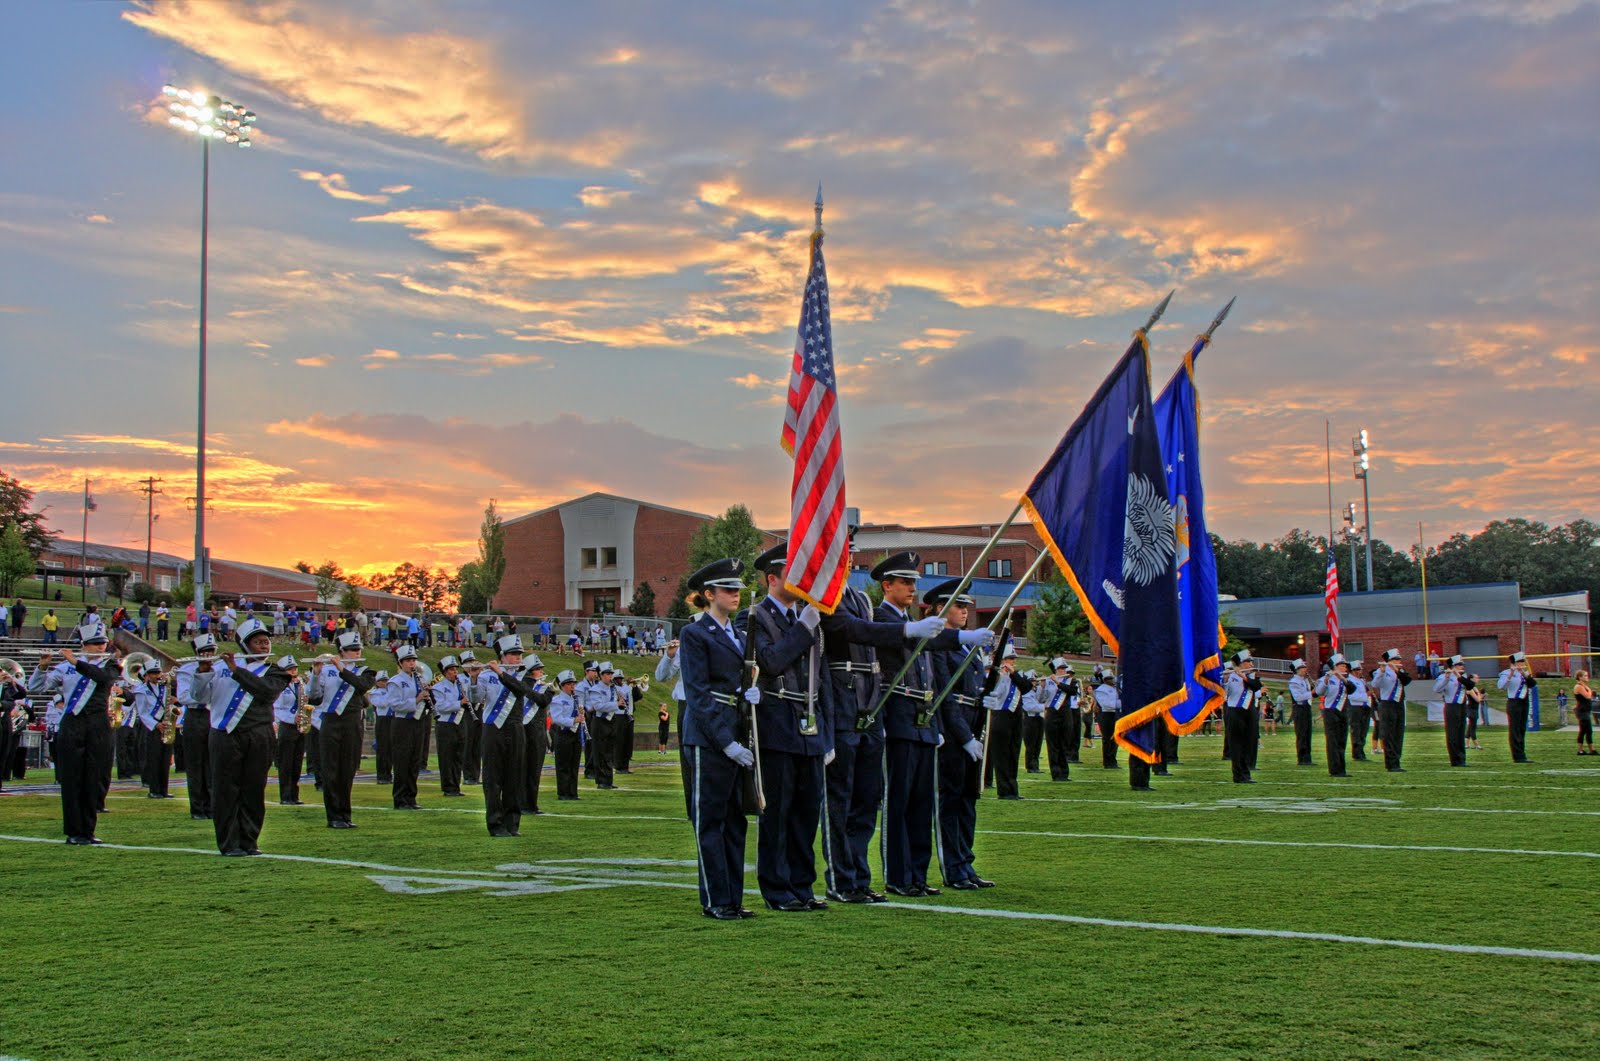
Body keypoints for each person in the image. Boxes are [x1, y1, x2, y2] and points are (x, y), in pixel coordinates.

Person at [743, 543, 830, 912]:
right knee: (778, 813)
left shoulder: (802, 619)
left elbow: (820, 677)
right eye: (789, 573)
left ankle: (802, 885)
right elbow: (771, 661)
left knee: (807, 812)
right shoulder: (756, 618)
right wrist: (805, 629)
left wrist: (828, 734)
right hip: (777, 724)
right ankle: (777, 888)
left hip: (809, 727)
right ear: (772, 578)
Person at [678, 557, 762, 920]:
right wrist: (725, 741)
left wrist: (750, 692)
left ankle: (734, 898)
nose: (735, 595)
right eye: (728, 590)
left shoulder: (741, 635)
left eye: (738, 590)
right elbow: (698, 694)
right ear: (708, 594)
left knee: (734, 820)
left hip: (736, 730)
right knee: (710, 819)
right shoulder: (695, 634)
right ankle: (715, 899)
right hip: (709, 735)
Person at [929, 579, 995, 890]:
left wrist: (987, 700)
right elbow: (944, 693)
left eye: (967, 606)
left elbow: (973, 688)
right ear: (941, 608)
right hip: (952, 727)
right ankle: (952, 867)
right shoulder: (940, 642)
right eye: (959, 605)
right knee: (951, 799)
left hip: (972, 720)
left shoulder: (968, 645)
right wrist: (963, 735)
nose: (965, 611)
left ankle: (966, 862)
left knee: (969, 799)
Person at [206, 618, 292, 856]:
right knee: (225, 790)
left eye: (266, 642)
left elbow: (266, 692)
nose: (264, 646)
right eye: (258, 642)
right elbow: (198, 697)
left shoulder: (276, 671)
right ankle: (229, 843)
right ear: (244, 645)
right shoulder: (218, 667)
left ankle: (249, 841)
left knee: (254, 789)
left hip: (259, 734)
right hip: (225, 734)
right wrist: (202, 674)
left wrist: (236, 670)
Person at [30, 622, 122, 843]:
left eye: (102, 643)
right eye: (94, 644)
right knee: (72, 780)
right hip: (72, 725)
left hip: (98, 726)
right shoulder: (64, 668)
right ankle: (73, 832)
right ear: (84, 645)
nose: (100, 647)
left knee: (94, 779)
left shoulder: (110, 665)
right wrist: (42, 667)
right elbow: (35, 688)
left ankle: (88, 831)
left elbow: (102, 679)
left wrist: (76, 661)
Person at [478, 633, 535, 837]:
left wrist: (501, 674)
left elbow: (521, 690)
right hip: (493, 729)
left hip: (516, 728)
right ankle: (496, 824)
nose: (518, 658)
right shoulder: (486, 675)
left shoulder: (525, 675)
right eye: (513, 654)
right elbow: (476, 698)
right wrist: (474, 678)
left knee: (514, 777)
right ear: (502, 657)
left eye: (519, 654)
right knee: (493, 778)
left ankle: (512, 824)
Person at [321, 631, 376, 829]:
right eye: (352, 650)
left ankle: (345, 815)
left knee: (347, 770)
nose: (356, 652)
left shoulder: (366, 671)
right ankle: (333, 816)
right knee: (331, 770)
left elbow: (362, 686)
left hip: (352, 722)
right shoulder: (326, 670)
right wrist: (315, 674)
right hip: (330, 721)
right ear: (341, 651)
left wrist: (341, 668)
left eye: (358, 649)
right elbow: (315, 697)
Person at [378, 645, 430, 809]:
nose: (412, 664)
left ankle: (411, 797)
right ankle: (400, 799)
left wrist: (427, 695)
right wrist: (417, 698)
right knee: (402, 762)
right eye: (408, 661)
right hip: (402, 724)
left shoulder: (419, 679)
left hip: (418, 721)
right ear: (400, 663)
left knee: (415, 761)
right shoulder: (395, 681)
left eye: (413, 660)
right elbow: (395, 705)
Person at [175, 634, 218, 819]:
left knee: (214, 764)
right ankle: (198, 808)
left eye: (211, 651)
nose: (209, 654)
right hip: (195, 716)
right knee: (196, 764)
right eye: (204, 651)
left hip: (214, 715)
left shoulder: (221, 669)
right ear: (198, 652)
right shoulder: (187, 670)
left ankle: (213, 806)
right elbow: (184, 697)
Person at [984, 645, 1028, 799]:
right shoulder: (993, 674)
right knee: (1001, 754)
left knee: (1013, 753)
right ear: (1002, 659)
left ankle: (1013, 790)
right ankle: (1003, 790)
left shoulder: (1017, 674)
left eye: (1014, 659)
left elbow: (1026, 687)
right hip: (1000, 715)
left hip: (1016, 716)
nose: (1013, 661)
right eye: (1010, 658)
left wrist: (1012, 673)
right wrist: (1001, 674)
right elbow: (993, 692)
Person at [132, 657, 174, 799]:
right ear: (147, 675)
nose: (157, 676)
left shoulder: (165, 687)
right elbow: (142, 712)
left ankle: (164, 789)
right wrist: (156, 724)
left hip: (166, 724)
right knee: (153, 759)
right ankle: (154, 789)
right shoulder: (141, 690)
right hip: (151, 726)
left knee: (165, 758)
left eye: (158, 672)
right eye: (154, 673)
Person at [518, 654, 554, 816]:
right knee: (523, 769)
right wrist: (527, 687)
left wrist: (528, 689)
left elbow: (543, 701)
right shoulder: (519, 685)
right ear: (530, 671)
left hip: (538, 733)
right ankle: (522, 803)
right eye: (538, 669)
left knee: (534, 770)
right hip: (524, 732)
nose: (541, 672)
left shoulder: (544, 687)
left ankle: (531, 803)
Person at [270, 657, 308, 805]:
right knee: (286, 762)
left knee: (297, 761)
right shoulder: (280, 686)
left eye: (295, 668)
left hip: (300, 727)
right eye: (290, 669)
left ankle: (294, 794)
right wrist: (293, 718)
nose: (294, 671)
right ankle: (285, 795)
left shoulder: (300, 685)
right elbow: (277, 709)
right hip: (286, 726)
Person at [577, 660, 618, 789]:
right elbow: (597, 706)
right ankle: (600, 779)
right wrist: (616, 704)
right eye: (606, 674)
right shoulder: (593, 688)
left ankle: (608, 780)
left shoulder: (612, 688)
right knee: (598, 750)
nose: (610, 676)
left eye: (611, 674)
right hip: (596, 720)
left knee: (609, 751)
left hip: (610, 720)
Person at [656, 639, 687, 804]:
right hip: (687, 704)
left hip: (715, 703)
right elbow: (662, 676)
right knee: (687, 759)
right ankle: (692, 808)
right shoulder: (686, 648)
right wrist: (669, 656)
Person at [1222, 649, 1261, 783]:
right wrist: (1226, 679)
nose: (1250, 664)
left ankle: (1247, 772)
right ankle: (1238, 774)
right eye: (1248, 662)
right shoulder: (1230, 676)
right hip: (1234, 711)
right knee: (1236, 744)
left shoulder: (1252, 676)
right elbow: (1224, 694)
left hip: (1249, 711)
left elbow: (1256, 687)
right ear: (1241, 663)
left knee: (1248, 743)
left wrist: (1244, 677)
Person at [1371, 649, 1411, 772]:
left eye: (1399, 659)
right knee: (1389, 734)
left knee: (1398, 733)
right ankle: (1391, 763)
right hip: (1387, 705)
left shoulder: (1400, 671)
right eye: (1396, 660)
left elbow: (1407, 681)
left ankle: (1397, 761)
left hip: (1399, 704)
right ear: (1389, 661)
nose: (1399, 661)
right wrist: (1382, 671)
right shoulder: (1382, 671)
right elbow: (1375, 684)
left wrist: (1397, 670)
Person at [1314, 654, 1355, 778]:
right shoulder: (1326, 678)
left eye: (1345, 666)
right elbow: (1319, 692)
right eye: (1342, 666)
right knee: (1333, 741)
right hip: (1331, 711)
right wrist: (1326, 679)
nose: (1345, 668)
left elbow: (1352, 689)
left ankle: (1342, 769)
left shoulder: (1346, 679)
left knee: (1342, 740)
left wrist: (1342, 678)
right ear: (1335, 667)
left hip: (1343, 710)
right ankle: (1334, 769)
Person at [431, 656, 466, 796]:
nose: (455, 672)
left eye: (456, 669)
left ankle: (456, 786)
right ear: (445, 672)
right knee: (447, 757)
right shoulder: (438, 687)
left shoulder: (460, 685)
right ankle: (448, 787)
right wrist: (460, 703)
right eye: (452, 670)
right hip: (445, 725)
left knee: (458, 756)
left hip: (459, 723)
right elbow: (440, 707)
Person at [548, 669, 583, 800]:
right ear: (562, 686)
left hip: (575, 733)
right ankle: (563, 792)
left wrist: (581, 714)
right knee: (563, 764)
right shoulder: (557, 700)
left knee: (574, 764)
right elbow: (556, 718)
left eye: (573, 683)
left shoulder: (576, 699)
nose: (572, 686)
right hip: (564, 733)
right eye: (569, 684)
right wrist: (574, 720)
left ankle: (573, 792)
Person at [1040, 660, 1078, 779]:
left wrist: (1058, 682)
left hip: (1065, 713)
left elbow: (1072, 691)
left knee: (1064, 743)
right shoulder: (1048, 681)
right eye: (1060, 668)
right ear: (1055, 669)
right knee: (1053, 744)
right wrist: (1042, 687)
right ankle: (1055, 773)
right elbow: (1042, 699)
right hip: (1051, 713)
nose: (1063, 670)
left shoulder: (1071, 680)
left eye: (1064, 668)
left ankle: (1064, 773)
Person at [1497, 651, 1536, 763]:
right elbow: (1501, 686)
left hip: (1524, 702)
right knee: (1515, 730)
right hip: (1514, 702)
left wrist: (1525, 674)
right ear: (1514, 663)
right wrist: (1511, 674)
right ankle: (1517, 756)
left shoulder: (1525, 673)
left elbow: (1532, 684)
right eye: (1520, 662)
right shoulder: (1506, 673)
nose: (1522, 664)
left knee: (1522, 729)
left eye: (1522, 662)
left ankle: (1522, 754)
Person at [1434, 654, 1473, 767]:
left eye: (1462, 664)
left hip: (1461, 706)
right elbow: (1437, 689)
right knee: (1452, 734)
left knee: (1461, 732)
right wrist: (1447, 677)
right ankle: (1455, 760)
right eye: (1459, 665)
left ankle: (1462, 759)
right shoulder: (1444, 676)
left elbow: (1470, 686)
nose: (1462, 666)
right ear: (1453, 666)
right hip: (1451, 707)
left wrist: (1459, 676)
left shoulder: (1463, 676)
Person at [1020, 670, 1047, 774]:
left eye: (1035, 681)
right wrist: (1043, 707)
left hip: (1039, 718)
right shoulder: (1025, 693)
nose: (1034, 683)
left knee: (1038, 744)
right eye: (1032, 681)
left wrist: (1044, 686)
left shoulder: (1035, 691)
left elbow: (1043, 698)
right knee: (1031, 744)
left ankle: (1035, 766)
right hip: (1030, 719)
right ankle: (1031, 766)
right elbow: (1029, 707)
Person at [1288, 660, 1314, 766]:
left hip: (1307, 707)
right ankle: (1302, 758)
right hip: (1299, 708)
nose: (1305, 670)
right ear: (1297, 670)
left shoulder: (1305, 680)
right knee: (1301, 733)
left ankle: (1307, 757)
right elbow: (1298, 697)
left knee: (1308, 733)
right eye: (1302, 668)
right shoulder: (1294, 682)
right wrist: (1312, 692)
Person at [1347, 660, 1372, 763]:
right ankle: (1357, 753)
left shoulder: (1361, 681)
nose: (1360, 671)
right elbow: (1351, 696)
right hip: (1355, 708)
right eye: (1358, 670)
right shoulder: (1350, 681)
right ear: (1353, 671)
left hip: (1364, 707)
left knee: (1363, 731)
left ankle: (1361, 752)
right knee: (1356, 731)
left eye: (1360, 669)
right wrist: (1366, 695)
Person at [1573, 671, 1594, 755]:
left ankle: (1582, 750)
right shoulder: (1579, 686)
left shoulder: (1584, 686)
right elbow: (1588, 696)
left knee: (1585, 731)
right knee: (1587, 731)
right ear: (1580, 677)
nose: (1587, 677)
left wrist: (1589, 690)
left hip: (1585, 711)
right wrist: (1590, 691)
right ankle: (1589, 750)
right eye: (1585, 676)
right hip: (1582, 712)